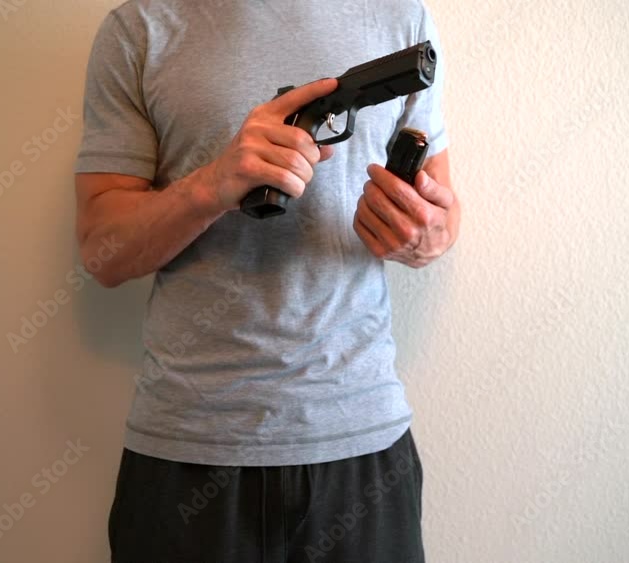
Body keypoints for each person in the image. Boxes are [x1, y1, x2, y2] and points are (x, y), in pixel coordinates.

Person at [73, 1, 460, 561]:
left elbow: (444, 217)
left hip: (361, 441)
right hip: (189, 448)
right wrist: (213, 185)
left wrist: (422, 235)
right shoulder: (139, 28)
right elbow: (101, 252)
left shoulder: (401, 19)